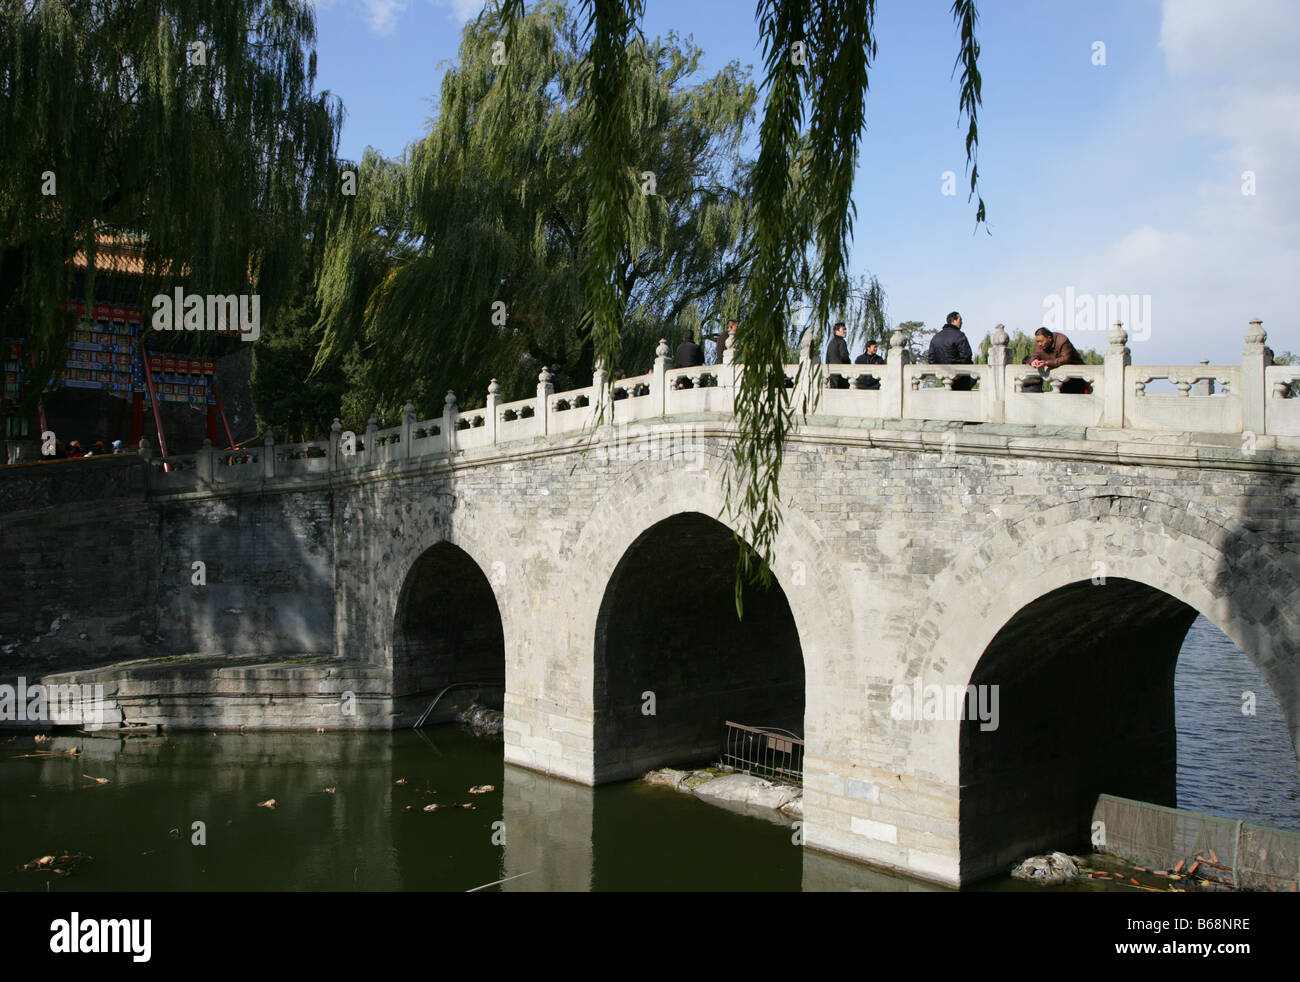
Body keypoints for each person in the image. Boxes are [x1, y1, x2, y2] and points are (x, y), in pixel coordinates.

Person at [1030, 326, 1087, 393]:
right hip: (1059, 380)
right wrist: (1033, 362)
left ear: (1049, 338)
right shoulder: (1039, 344)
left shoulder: (1062, 340)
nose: (1039, 344)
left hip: (1075, 378)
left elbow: (1066, 359)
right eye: (1037, 341)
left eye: (1041, 341)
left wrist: (1046, 363)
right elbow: (1033, 357)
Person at [928, 311, 974, 391]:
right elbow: (967, 356)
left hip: (943, 376)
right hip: (960, 377)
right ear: (953, 321)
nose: (962, 322)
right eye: (960, 320)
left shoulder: (936, 337)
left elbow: (931, 359)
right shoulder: (959, 335)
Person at [826, 322, 851, 389]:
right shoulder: (841, 342)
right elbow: (844, 356)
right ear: (836, 331)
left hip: (832, 373)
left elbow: (827, 359)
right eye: (843, 329)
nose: (845, 331)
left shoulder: (831, 343)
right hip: (841, 374)